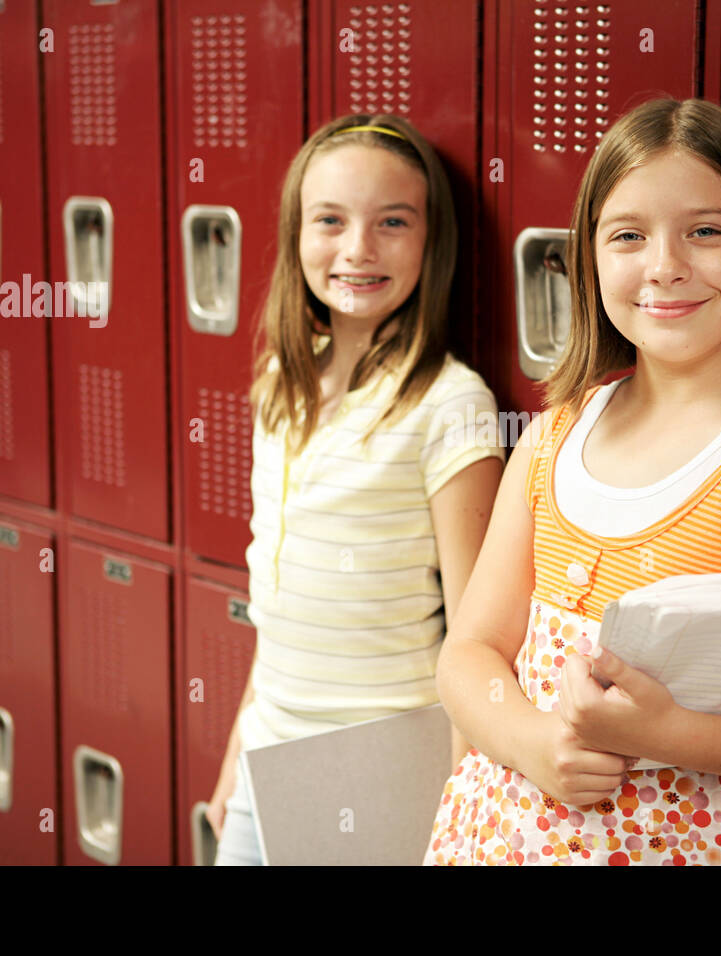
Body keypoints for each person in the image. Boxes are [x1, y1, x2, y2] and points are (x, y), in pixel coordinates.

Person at [424, 98, 721, 865]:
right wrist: (537, 743)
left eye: (706, 231)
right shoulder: (549, 439)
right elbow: (468, 652)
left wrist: (664, 734)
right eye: (628, 236)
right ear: (590, 259)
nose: (665, 264)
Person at [207, 114, 505, 865]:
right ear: (296, 234)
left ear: (431, 242)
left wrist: (472, 808)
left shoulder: (449, 402)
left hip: (380, 769)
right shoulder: (282, 379)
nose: (357, 249)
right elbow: (276, 609)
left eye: (392, 222)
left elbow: (480, 631)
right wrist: (235, 754)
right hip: (265, 753)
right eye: (330, 221)